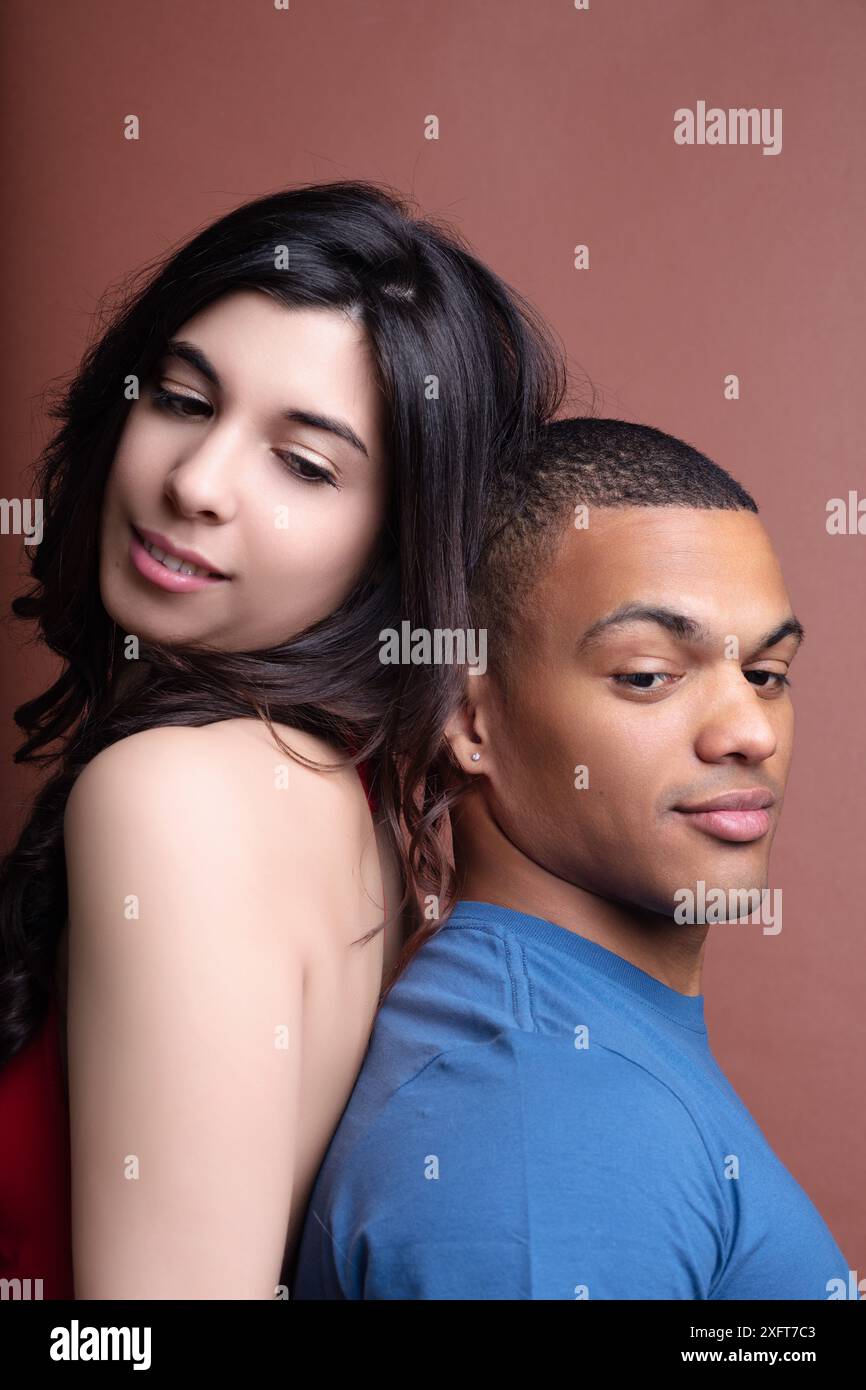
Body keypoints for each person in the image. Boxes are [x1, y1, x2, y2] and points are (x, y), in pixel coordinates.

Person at [0, 180, 566, 1299]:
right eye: (180, 399)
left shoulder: (178, 795)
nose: (193, 484)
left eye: (304, 465)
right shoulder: (336, 792)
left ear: (396, 542)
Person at [292, 416, 852, 1300]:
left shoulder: (574, 1054)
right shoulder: (537, 1114)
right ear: (470, 720)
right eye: (648, 675)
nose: (749, 731)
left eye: (767, 675)